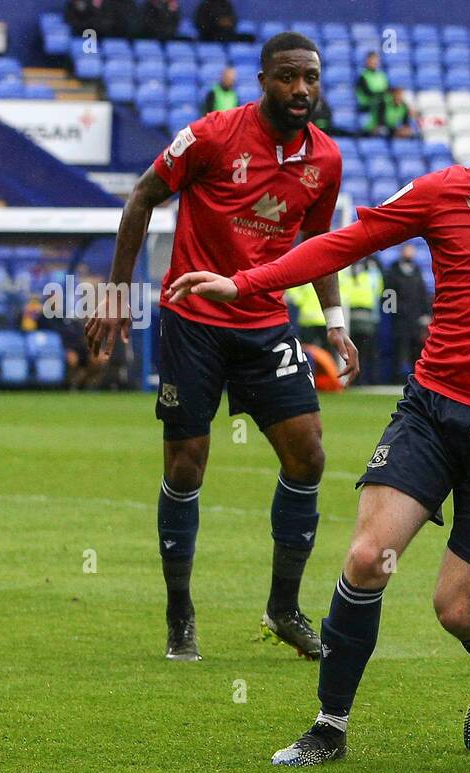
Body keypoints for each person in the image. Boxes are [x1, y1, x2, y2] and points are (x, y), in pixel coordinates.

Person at [165, 71, 470, 764]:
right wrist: (245, 282)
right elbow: (343, 243)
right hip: (433, 411)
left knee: (457, 608)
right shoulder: (440, 192)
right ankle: (329, 727)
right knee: (368, 558)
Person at [84, 32, 356, 663]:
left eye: (311, 78)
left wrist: (335, 318)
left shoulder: (326, 161)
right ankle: (181, 613)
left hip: (265, 323)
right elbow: (142, 197)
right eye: (288, 77)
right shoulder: (210, 136)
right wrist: (117, 292)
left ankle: (283, 608)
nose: (301, 90)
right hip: (193, 321)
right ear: (262, 80)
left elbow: (319, 245)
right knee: (185, 467)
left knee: (309, 456)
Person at [383, 243, 431, 380]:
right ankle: (395, 377)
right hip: (399, 318)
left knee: (414, 348)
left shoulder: (417, 270)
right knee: (398, 347)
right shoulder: (393, 271)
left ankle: (416, 376)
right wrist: (392, 312)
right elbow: (388, 293)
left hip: (415, 317)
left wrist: (425, 313)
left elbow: (422, 293)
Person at [339, 257, 382, 383]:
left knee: (361, 349)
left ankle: (359, 379)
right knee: (359, 349)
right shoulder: (370, 271)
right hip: (357, 313)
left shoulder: (367, 271)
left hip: (361, 313)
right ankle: (359, 379)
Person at [356, 51, 388, 135]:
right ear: (367, 61)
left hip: (380, 102)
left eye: (375, 60)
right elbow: (368, 92)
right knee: (381, 103)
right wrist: (380, 94)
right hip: (367, 104)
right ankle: (379, 127)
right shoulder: (363, 76)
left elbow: (386, 90)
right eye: (372, 60)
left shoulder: (382, 76)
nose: (374, 62)